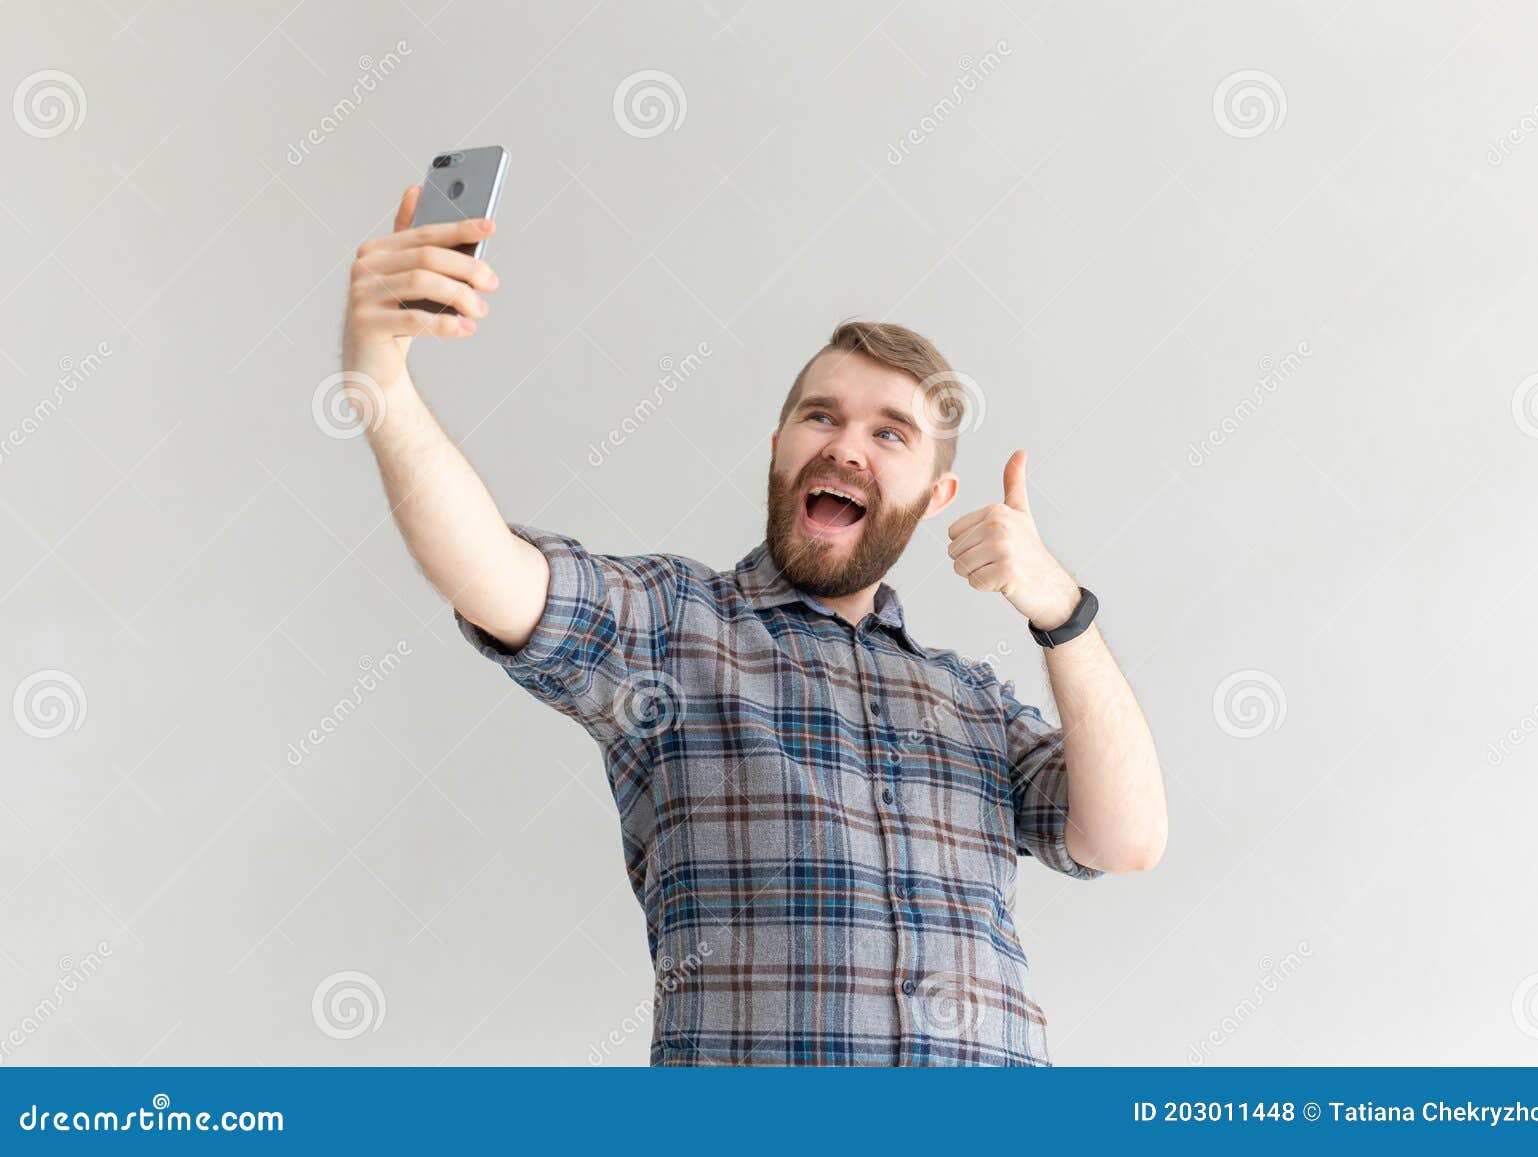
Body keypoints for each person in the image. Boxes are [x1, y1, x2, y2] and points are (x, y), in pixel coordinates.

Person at [341, 187, 1168, 1066]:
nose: (846, 447)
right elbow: (489, 570)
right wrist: (379, 378)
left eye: (891, 434)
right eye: (822, 416)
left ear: (936, 498)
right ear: (778, 449)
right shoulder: (672, 626)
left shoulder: (974, 701)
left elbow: (1127, 838)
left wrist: (1063, 613)